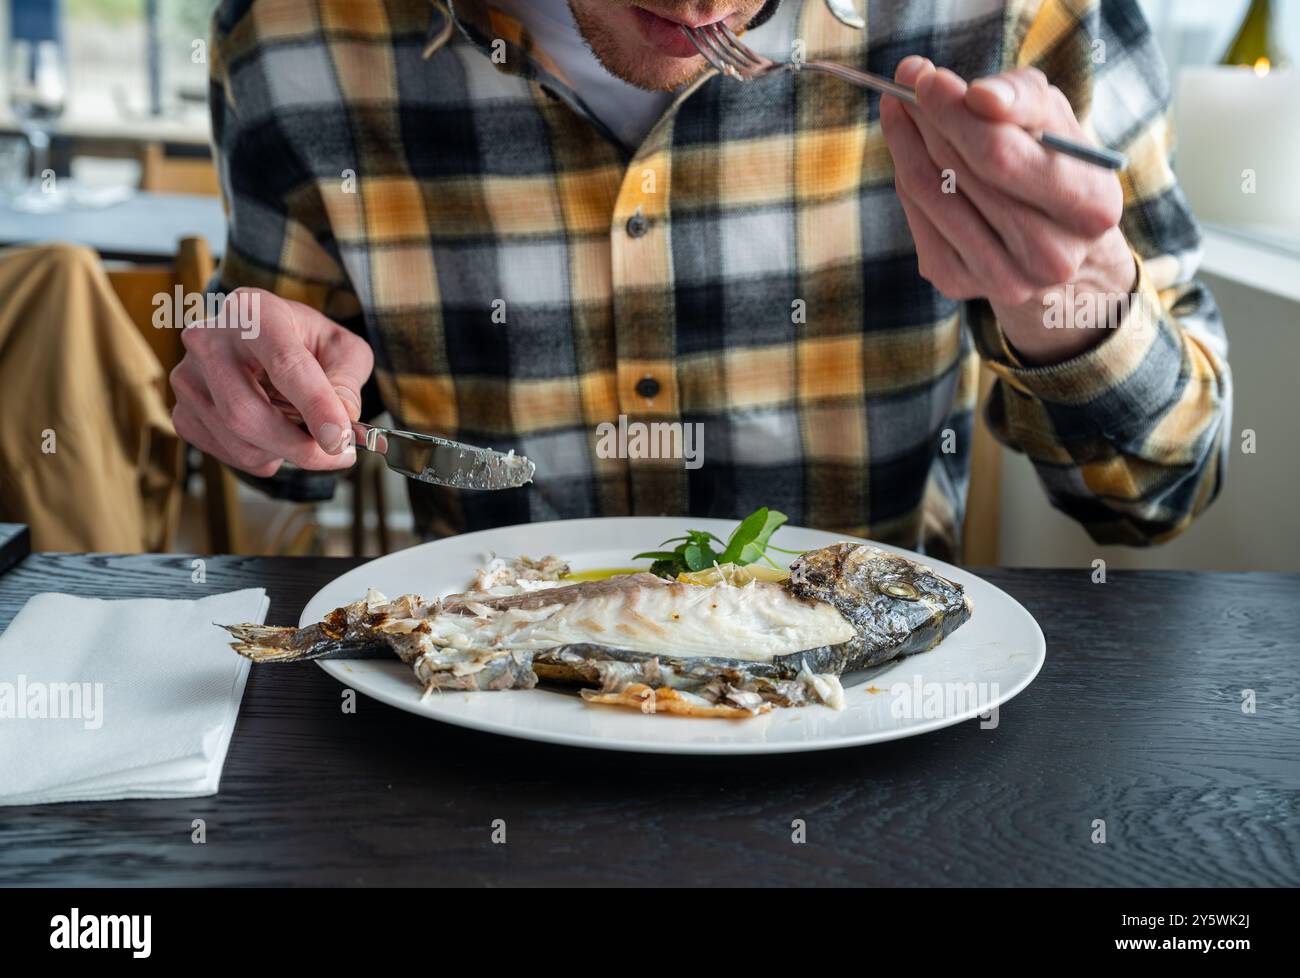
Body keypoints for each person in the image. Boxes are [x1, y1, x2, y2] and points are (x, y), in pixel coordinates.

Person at [171, 0, 1231, 559]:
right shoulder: (291, 34)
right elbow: (288, 469)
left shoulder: (1020, 11)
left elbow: (1157, 497)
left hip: (874, 740)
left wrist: (1069, 313)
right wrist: (260, 397)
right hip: (492, 752)